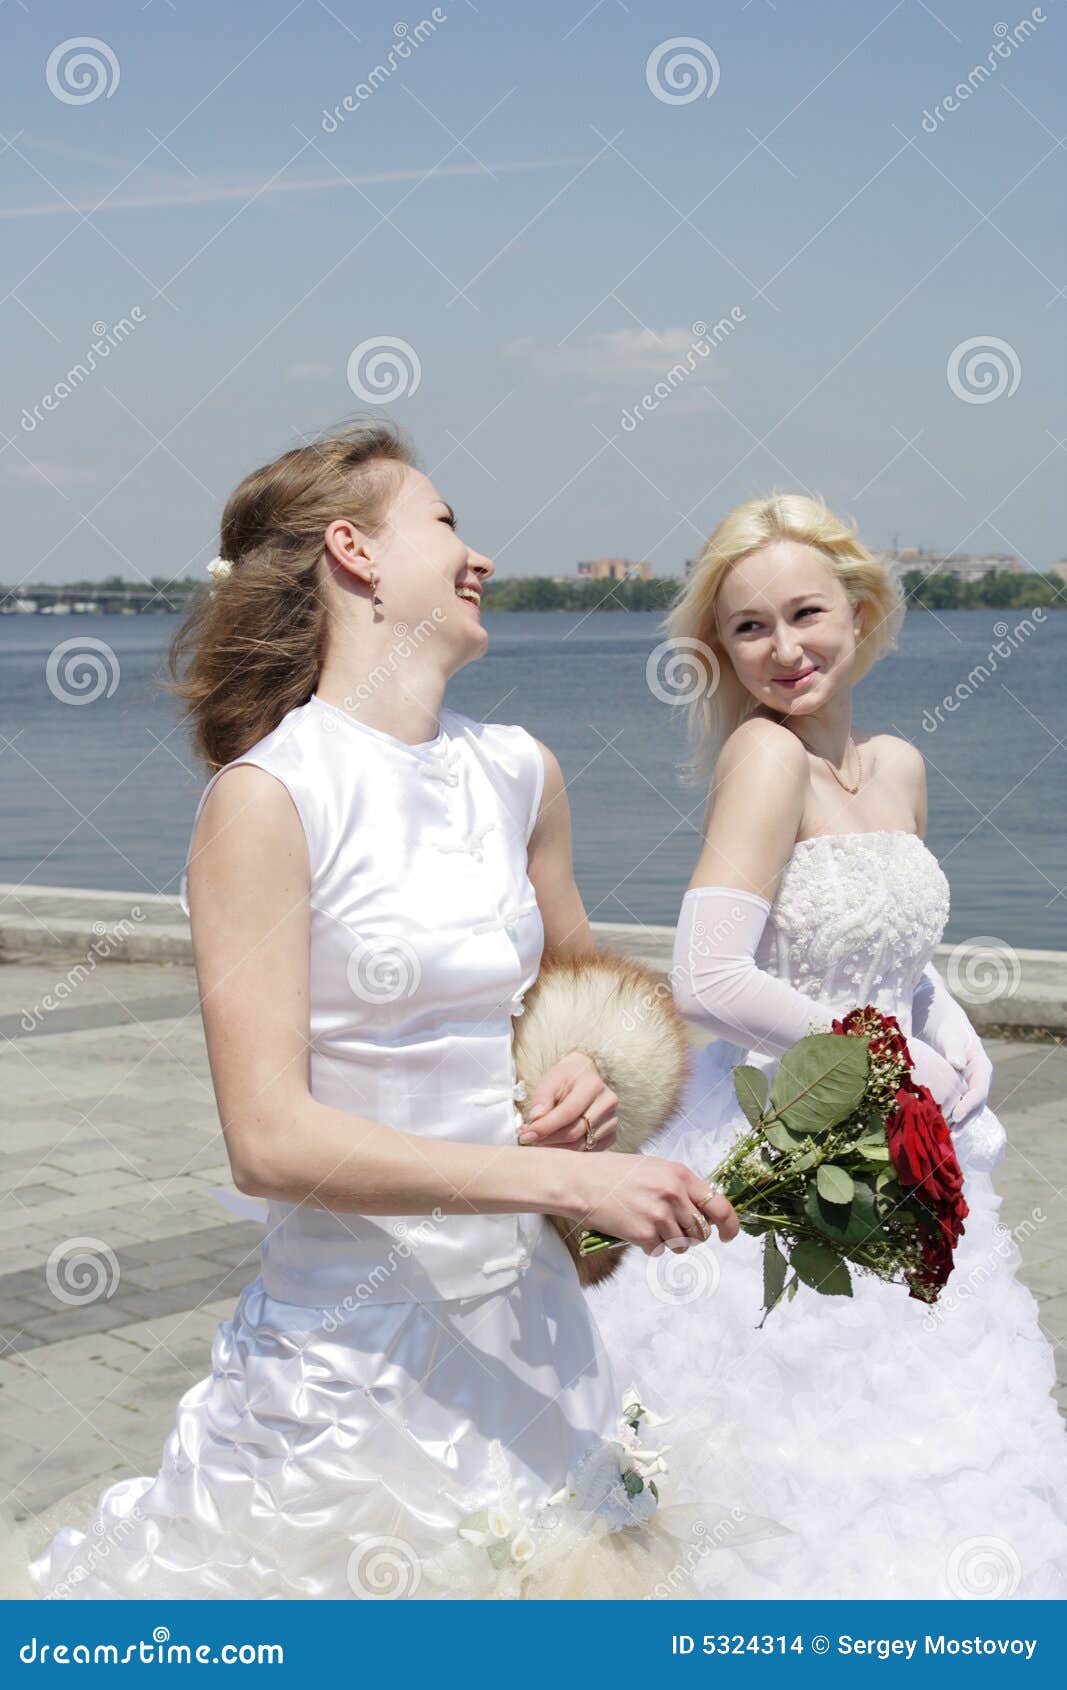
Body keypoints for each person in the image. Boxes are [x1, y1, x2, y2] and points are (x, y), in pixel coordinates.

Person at [25, 421, 741, 1601]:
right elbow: (271, 1141)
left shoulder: (519, 771)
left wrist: (588, 1082)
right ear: (353, 552)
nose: (481, 557)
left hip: (534, 1340)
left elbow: (581, 1005)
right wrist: (565, 1184)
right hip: (346, 1376)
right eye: (448, 523)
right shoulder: (269, 798)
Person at [586, 493, 1067, 1600]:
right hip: (789, 1145)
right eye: (747, 628)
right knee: (797, 1425)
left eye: (804, 613)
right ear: (719, 651)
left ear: (857, 612)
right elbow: (708, 978)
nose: (782, 648)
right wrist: (882, 1058)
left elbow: (893, 953)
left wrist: (944, 1023)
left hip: (906, 1152)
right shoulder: (763, 760)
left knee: (926, 1410)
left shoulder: (893, 764)